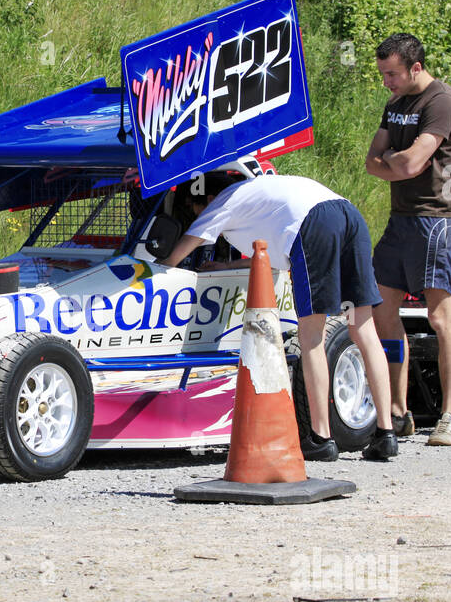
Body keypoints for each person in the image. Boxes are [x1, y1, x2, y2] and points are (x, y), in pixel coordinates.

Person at [160, 172, 398, 461]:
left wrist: (162, 268)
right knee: (363, 329)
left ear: (207, 199)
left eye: (196, 208)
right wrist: (227, 264)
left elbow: (188, 243)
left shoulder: (223, 201)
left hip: (313, 224)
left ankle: (321, 438)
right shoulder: (256, 194)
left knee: (312, 336)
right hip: (348, 214)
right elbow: (267, 254)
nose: (200, 215)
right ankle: (386, 433)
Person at [364, 32, 451, 447]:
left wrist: (393, 162)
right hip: (400, 220)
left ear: (416, 68)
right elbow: (374, 163)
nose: (386, 82)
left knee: (441, 318)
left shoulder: (441, 102)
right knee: (381, 312)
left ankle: (450, 417)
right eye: (383, 74)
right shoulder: (396, 103)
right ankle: (398, 410)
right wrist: (394, 163)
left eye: (392, 74)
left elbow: (409, 162)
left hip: (437, 220)